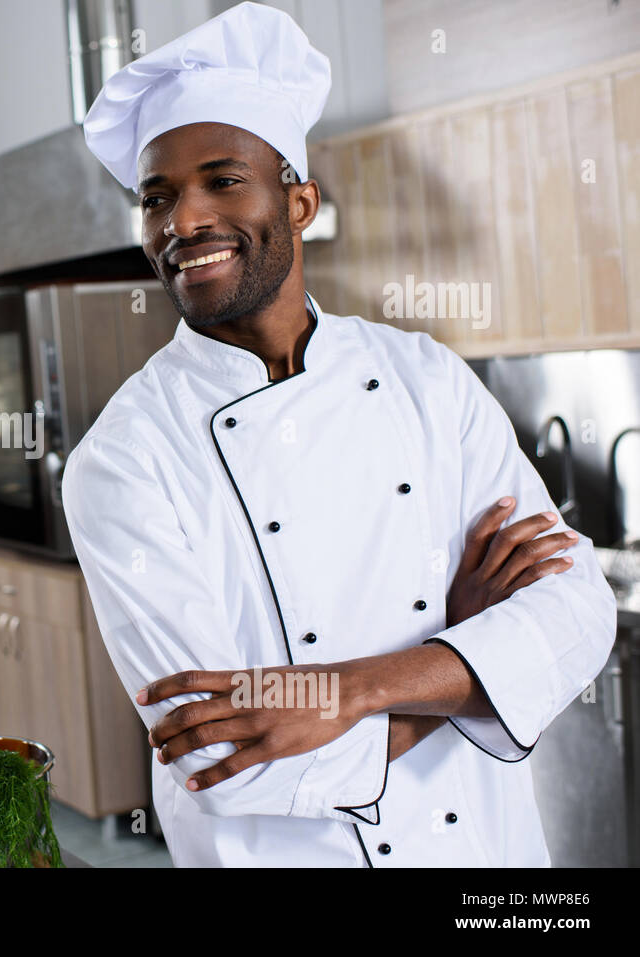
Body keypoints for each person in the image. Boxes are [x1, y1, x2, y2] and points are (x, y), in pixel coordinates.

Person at [62, 2, 617, 866]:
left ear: (301, 201)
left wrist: (348, 691)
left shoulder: (424, 377)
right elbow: (220, 755)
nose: (185, 221)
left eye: (223, 179)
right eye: (158, 198)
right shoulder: (124, 459)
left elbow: (578, 607)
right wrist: (471, 662)